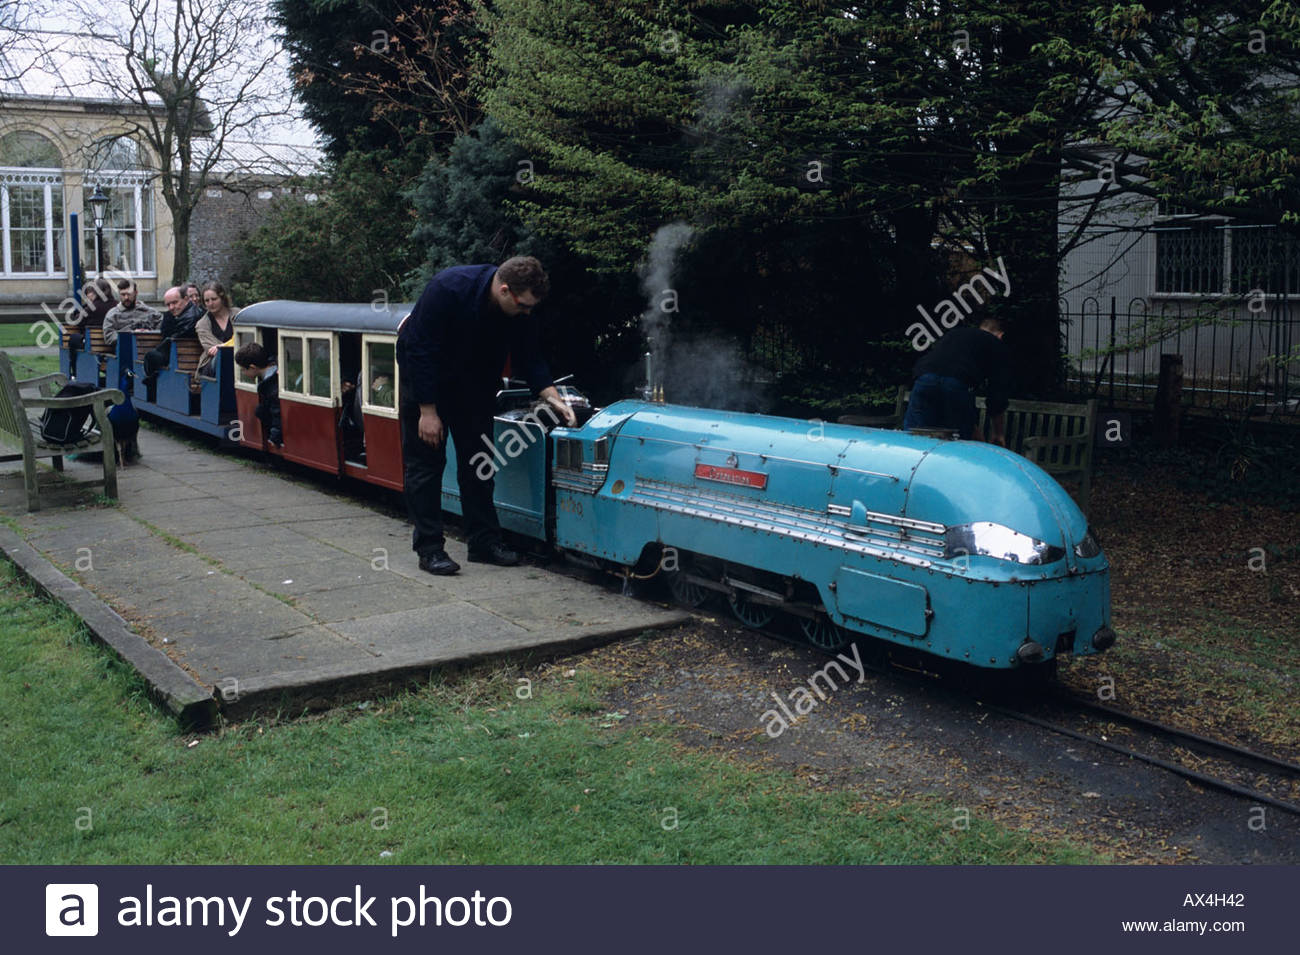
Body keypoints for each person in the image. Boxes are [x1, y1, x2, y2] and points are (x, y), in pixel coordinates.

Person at [397, 255, 576, 575]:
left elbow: (530, 356)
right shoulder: (448, 289)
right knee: (425, 468)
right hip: (425, 385)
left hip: (474, 388)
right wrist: (427, 411)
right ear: (505, 290)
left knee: (479, 466)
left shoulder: (519, 309)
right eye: (522, 306)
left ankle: (483, 543)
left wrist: (553, 398)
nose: (527, 312)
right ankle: (430, 549)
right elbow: (419, 350)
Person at [903, 315, 1011, 445]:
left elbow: (941, 374)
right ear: (1000, 335)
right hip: (957, 385)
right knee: (959, 443)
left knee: (913, 438)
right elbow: (997, 393)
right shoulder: (995, 344)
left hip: (924, 379)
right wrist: (998, 434)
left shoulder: (956, 333)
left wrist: (971, 424)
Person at [143, 286, 203, 384]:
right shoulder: (179, 315)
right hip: (181, 358)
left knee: (151, 356)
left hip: (182, 360)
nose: (171, 307)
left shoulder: (190, 317)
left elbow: (171, 340)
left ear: (186, 299)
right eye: (168, 304)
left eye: (175, 302)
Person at [233, 341, 282, 446]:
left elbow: (277, 413)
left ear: (252, 367)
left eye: (243, 370)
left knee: (260, 410)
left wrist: (275, 436)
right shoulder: (272, 372)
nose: (243, 373)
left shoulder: (272, 387)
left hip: (278, 432)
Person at [194, 281, 239, 381]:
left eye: (214, 299)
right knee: (222, 358)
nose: (210, 304)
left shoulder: (238, 314)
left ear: (222, 298)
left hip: (240, 357)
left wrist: (223, 346)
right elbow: (213, 350)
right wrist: (231, 344)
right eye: (207, 301)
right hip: (212, 364)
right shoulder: (202, 324)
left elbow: (246, 338)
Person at [101, 279, 161, 347]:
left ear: (136, 293)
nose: (126, 297)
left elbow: (162, 328)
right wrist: (131, 335)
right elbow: (109, 337)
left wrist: (148, 333)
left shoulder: (151, 312)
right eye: (123, 294)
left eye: (129, 294)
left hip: (149, 347)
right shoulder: (112, 315)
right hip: (125, 350)